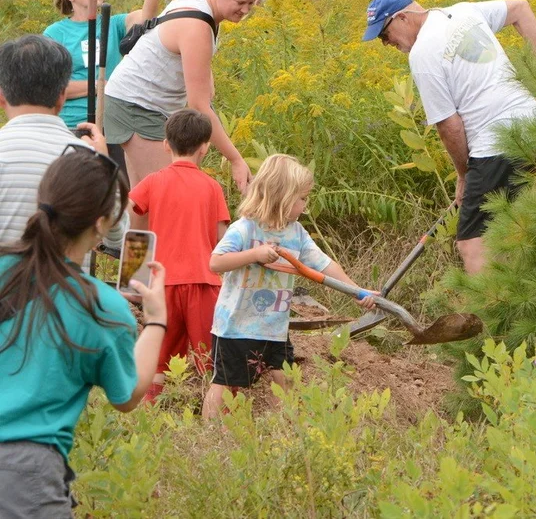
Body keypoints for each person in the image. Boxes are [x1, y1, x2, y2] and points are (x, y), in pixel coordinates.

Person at [0, 149, 167, 516]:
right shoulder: (101, 305)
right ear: (103, 223)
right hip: (25, 474)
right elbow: (126, 396)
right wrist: (156, 320)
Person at [362, 0, 536, 274]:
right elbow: (521, 8)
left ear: (402, 17)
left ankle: (491, 314)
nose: (387, 44)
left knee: (472, 244)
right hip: (533, 126)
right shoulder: (462, 12)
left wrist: (464, 175)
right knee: (509, 227)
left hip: (495, 143)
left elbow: (449, 125)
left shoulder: (423, 53)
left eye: (384, 35)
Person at [203, 154, 376, 418]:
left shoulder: (296, 233)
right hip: (236, 327)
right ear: (281, 197)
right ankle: (211, 432)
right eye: (303, 198)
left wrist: (357, 290)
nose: (306, 205)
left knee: (284, 380)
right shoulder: (245, 229)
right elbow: (216, 263)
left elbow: (323, 264)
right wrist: (254, 255)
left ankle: (282, 429)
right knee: (226, 384)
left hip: (275, 327)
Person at [103, 0, 261, 196]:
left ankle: (132, 235)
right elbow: (198, 106)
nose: (245, 10)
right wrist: (236, 159)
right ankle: (136, 235)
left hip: (142, 101)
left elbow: (193, 56)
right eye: (240, 2)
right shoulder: (196, 26)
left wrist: (207, 77)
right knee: (173, 194)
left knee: (141, 200)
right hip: (137, 105)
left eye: (251, 4)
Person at [128, 109, 230, 402]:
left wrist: (134, 275)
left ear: (165, 144)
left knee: (160, 359)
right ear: (205, 147)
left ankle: (147, 414)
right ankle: (216, 420)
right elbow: (222, 236)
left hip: (164, 284)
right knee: (210, 360)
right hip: (204, 281)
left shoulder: (152, 181)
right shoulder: (212, 186)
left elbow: (135, 228)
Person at [0, 35, 128, 261]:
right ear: (62, 97)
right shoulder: (85, 157)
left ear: (2, 97)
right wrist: (103, 164)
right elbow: (118, 239)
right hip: (68, 292)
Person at [43, 0, 162, 178]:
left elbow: (148, 15)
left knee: (118, 189)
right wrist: (100, 86)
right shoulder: (55, 33)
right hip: (74, 126)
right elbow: (52, 88)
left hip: (113, 125)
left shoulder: (113, 23)